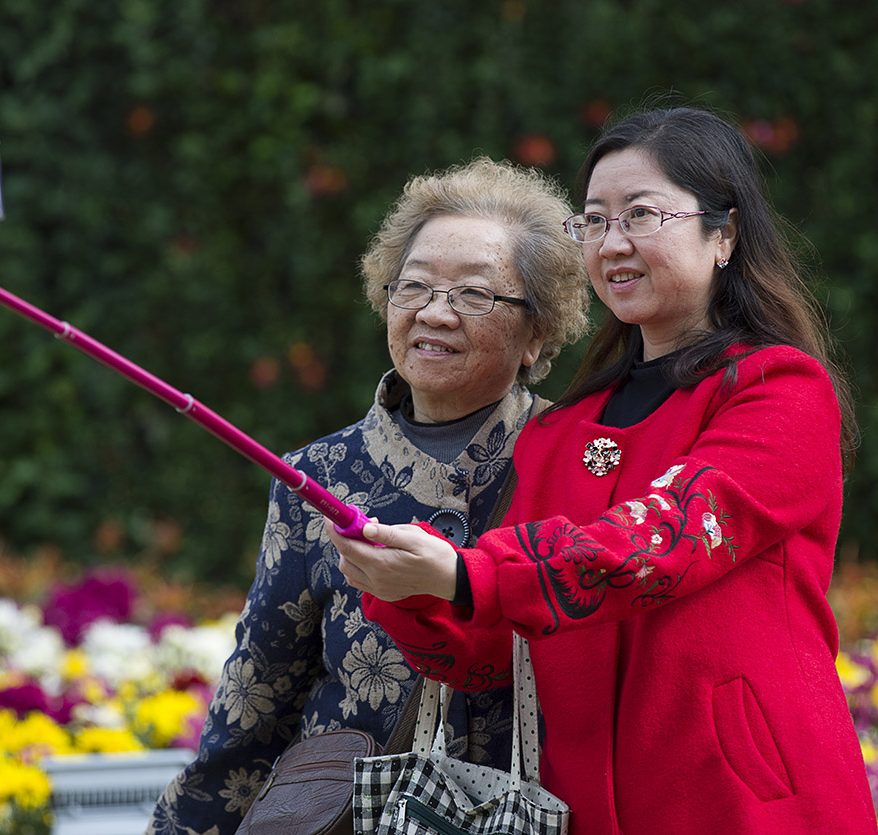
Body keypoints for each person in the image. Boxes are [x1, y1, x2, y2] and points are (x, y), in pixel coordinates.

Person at [329, 107, 878, 835]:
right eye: (593, 220)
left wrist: (464, 573)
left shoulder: (780, 389)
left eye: (641, 215)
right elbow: (504, 649)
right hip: (586, 810)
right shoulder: (560, 431)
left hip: (748, 805)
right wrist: (410, 592)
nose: (612, 243)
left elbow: (666, 539)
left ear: (725, 234)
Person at [145, 156, 590, 835]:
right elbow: (254, 703)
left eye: (474, 295)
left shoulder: (580, 461)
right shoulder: (316, 478)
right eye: (412, 288)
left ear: (536, 333)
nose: (435, 314)